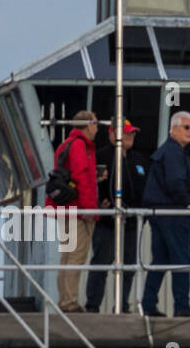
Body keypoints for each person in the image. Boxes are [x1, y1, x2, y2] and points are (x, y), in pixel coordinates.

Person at [140, 111, 190, 318]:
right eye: (186, 127)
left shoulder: (169, 151)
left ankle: (149, 304)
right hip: (172, 215)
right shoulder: (174, 152)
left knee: (160, 259)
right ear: (174, 129)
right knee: (181, 259)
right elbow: (176, 182)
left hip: (161, 214)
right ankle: (181, 306)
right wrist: (186, 204)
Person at [85, 120, 146, 313]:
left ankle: (122, 305)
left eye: (132, 134)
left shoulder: (139, 159)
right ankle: (93, 306)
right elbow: (90, 182)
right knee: (101, 263)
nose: (130, 137)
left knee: (128, 266)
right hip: (108, 221)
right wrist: (101, 200)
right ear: (112, 134)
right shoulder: (101, 156)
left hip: (132, 221)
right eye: (126, 134)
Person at [46, 111, 99, 312]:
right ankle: (70, 302)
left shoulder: (64, 144)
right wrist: (89, 209)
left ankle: (64, 300)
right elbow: (82, 177)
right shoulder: (80, 145)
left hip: (65, 208)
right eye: (95, 123)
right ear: (87, 125)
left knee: (67, 254)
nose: (97, 127)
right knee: (76, 255)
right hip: (77, 209)